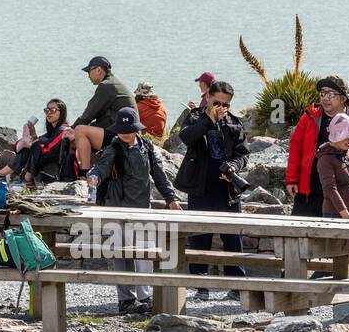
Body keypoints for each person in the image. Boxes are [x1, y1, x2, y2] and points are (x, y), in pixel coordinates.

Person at [86, 107, 182, 314]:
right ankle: (126, 300)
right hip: (116, 208)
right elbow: (101, 168)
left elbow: (159, 175)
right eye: (121, 129)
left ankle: (145, 296)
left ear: (136, 128)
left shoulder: (147, 147)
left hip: (141, 207)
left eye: (129, 128)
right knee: (120, 255)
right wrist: (94, 177)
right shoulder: (112, 149)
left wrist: (171, 199)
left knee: (144, 254)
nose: (125, 133)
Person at [175, 81, 248, 299]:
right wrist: (209, 119)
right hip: (200, 186)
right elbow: (186, 137)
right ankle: (200, 285)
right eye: (217, 102)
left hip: (226, 188)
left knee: (233, 238)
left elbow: (243, 153)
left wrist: (234, 166)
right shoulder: (195, 117)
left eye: (225, 105)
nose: (221, 108)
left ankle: (236, 286)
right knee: (199, 237)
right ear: (207, 98)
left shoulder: (234, 123)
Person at [285, 75, 349, 218]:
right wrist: (292, 179)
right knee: (300, 234)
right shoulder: (310, 116)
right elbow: (295, 148)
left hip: (341, 196)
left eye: (330, 94)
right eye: (323, 93)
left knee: (340, 238)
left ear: (343, 98)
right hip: (309, 192)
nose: (325, 98)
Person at [66, 56, 137, 172]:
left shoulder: (106, 86)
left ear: (99, 70)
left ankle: (85, 173)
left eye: (89, 71)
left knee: (80, 130)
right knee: (81, 133)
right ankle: (82, 169)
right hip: (129, 132)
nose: (88, 75)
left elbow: (88, 114)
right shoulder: (114, 83)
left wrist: (71, 128)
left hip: (122, 136)